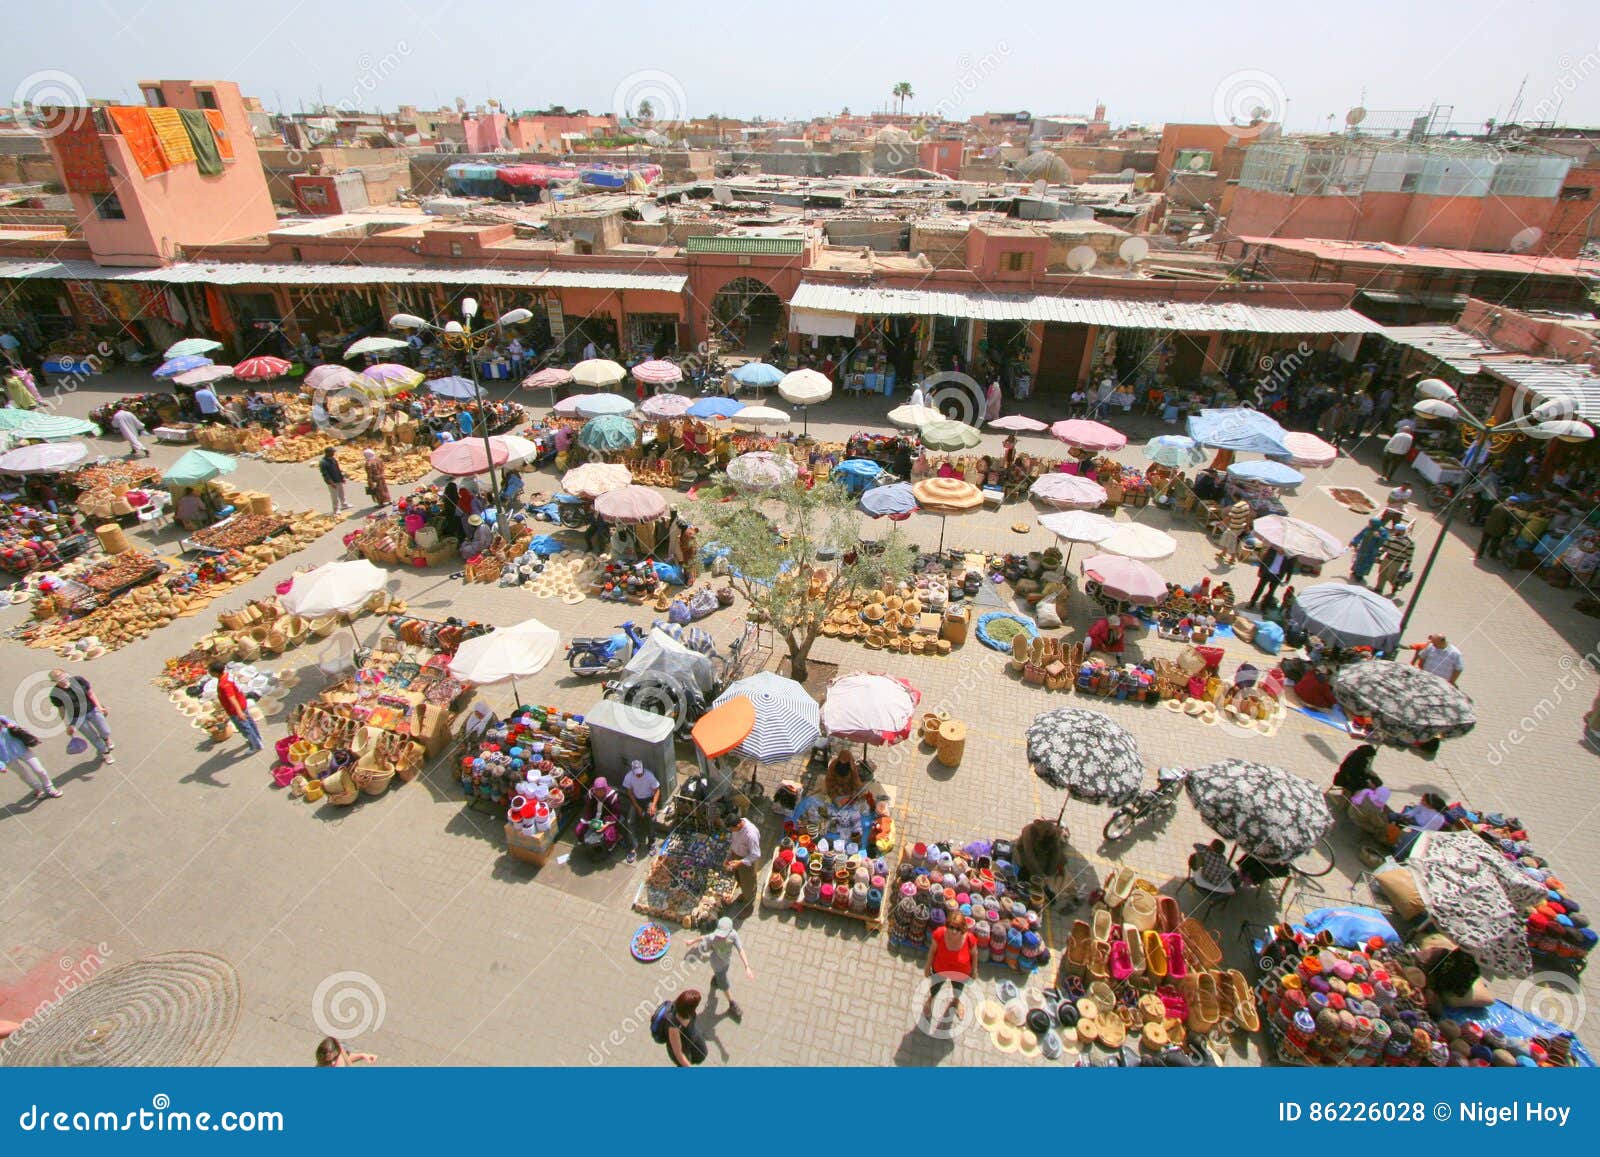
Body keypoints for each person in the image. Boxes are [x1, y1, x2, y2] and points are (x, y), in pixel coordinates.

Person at [689, 916, 754, 1021]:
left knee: (723, 972)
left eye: (724, 935)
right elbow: (704, 938)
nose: (721, 937)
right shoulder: (714, 936)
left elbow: (740, 950)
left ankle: (715, 980)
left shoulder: (733, 935)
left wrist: (747, 966)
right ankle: (732, 1004)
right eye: (720, 934)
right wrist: (692, 941)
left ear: (730, 931)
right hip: (717, 965)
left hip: (726, 963)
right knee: (725, 985)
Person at [922, 910, 978, 1027]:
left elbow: (974, 954)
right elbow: (932, 951)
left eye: (957, 929)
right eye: (951, 927)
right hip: (940, 969)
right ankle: (931, 999)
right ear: (947, 925)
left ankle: (956, 1001)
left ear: (963, 928)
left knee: (958, 989)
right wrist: (927, 966)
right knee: (935, 987)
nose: (953, 931)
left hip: (961, 973)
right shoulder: (939, 934)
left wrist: (974, 970)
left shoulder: (969, 939)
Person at [46, 669, 114, 763]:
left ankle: (106, 739)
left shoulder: (78, 680)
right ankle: (105, 753)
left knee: (105, 730)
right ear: (54, 681)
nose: (62, 679)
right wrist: (68, 725)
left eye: (62, 675)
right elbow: (61, 709)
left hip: (92, 710)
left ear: (66, 673)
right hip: (77, 718)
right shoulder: (55, 694)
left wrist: (100, 707)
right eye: (57, 678)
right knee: (92, 736)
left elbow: (90, 693)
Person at [0, 714, 59, 799]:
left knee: (39, 770)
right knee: (24, 774)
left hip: (21, 749)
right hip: (6, 758)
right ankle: (38, 789)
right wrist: (1, 766)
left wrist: (32, 738)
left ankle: (49, 787)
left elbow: (20, 730)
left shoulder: (3, 719)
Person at [210, 660, 262, 754]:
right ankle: (257, 738)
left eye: (210, 671)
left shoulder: (223, 685)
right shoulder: (228, 675)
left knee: (245, 728)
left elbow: (232, 698)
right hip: (242, 703)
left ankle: (255, 746)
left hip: (235, 709)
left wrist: (239, 712)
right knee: (250, 722)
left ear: (215, 673)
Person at [620, 758, 660, 865]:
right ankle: (633, 846)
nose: (639, 775)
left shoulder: (649, 776)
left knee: (652, 818)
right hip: (636, 800)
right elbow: (630, 793)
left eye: (640, 773)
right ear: (633, 771)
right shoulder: (629, 777)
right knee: (629, 821)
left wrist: (653, 805)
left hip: (648, 799)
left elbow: (657, 790)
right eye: (636, 774)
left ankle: (651, 842)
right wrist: (637, 807)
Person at [724, 805, 761, 914]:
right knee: (739, 879)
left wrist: (740, 862)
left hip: (747, 861)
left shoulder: (750, 834)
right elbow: (734, 843)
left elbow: (756, 854)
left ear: (738, 824)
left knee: (748, 884)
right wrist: (729, 857)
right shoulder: (736, 828)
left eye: (732, 829)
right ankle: (744, 895)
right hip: (736, 856)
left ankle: (749, 906)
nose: (731, 831)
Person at [656, 990, 707, 1067]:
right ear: (690, 1008)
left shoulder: (687, 1012)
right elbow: (678, 1053)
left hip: (692, 1039)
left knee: (701, 1054)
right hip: (682, 1050)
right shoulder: (673, 1027)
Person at [576, 776, 626, 853]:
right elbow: (588, 809)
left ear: (605, 788)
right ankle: (584, 843)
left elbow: (615, 813)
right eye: (597, 790)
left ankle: (613, 843)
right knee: (579, 830)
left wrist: (605, 825)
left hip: (607, 819)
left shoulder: (613, 797)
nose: (598, 793)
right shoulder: (591, 794)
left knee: (609, 836)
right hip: (593, 817)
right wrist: (588, 822)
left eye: (601, 790)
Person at [1375, 523, 1414, 598]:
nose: (1395, 531)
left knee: (1391, 575)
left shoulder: (1409, 542)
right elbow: (1385, 547)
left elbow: (1410, 554)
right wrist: (1379, 555)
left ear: (1402, 531)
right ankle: (1378, 589)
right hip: (1387, 558)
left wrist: (1407, 564)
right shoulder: (1392, 537)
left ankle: (1396, 585)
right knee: (1382, 573)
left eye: (1397, 530)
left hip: (1397, 561)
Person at [1348, 518, 1388, 585]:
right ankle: (1355, 571)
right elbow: (1360, 535)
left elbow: (1384, 541)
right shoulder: (1368, 528)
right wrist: (1354, 542)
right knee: (1359, 559)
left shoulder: (1382, 531)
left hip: (1372, 551)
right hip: (1363, 547)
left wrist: (1378, 537)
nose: (1369, 525)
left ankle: (1360, 575)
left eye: (1371, 524)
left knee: (1366, 563)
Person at [1215, 499, 1253, 565]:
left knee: (1232, 543)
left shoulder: (1236, 507)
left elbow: (1229, 517)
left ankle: (1232, 558)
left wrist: (1220, 523)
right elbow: (1247, 518)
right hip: (1239, 527)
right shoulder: (1246, 506)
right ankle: (1223, 553)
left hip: (1234, 528)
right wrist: (1247, 526)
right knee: (1226, 536)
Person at [319, 447, 348, 514]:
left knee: (341, 493)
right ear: (328, 452)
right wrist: (331, 483)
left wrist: (342, 477)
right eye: (332, 452)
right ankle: (336, 509)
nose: (334, 453)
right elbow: (325, 474)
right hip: (332, 482)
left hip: (338, 479)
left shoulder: (333, 459)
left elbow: (338, 469)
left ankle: (344, 504)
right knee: (334, 496)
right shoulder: (323, 462)